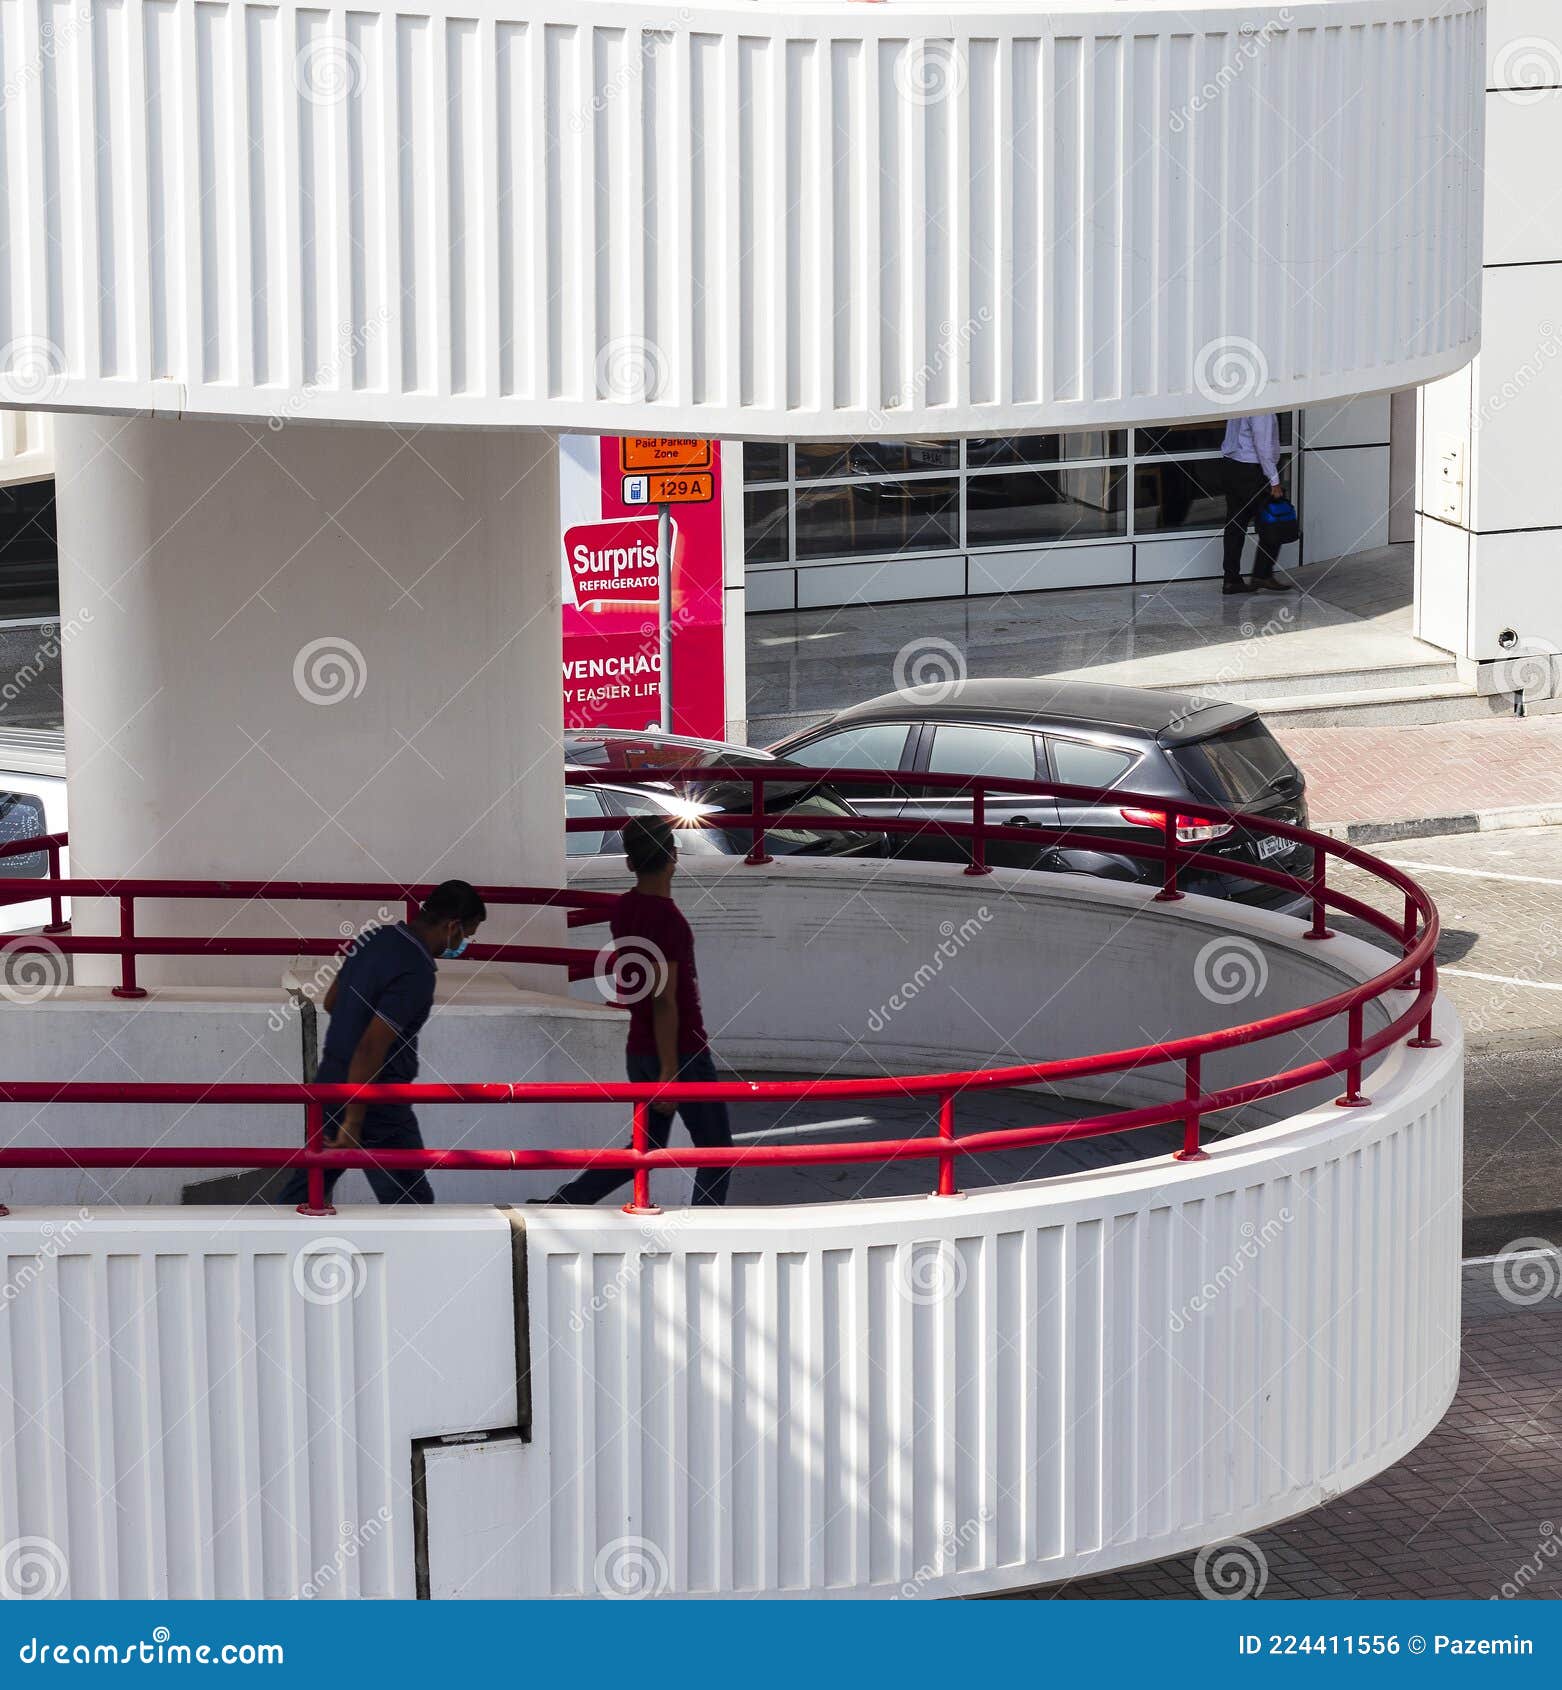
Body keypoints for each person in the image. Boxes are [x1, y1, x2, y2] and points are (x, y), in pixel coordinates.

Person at [543, 814, 733, 1207]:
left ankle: (567, 1201)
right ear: (673, 857)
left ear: (629, 862)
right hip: (680, 1052)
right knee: (718, 1151)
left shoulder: (625, 909)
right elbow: (666, 998)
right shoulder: (670, 921)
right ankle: (706, 1226)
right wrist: (670, 1070)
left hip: (640, 1046)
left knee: (642, 1149)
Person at [278, 880, 487, 1208]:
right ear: (452, 926)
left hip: (331, 1083)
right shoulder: (417, 971)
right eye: (467, 934)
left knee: (306, 1189)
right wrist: (355, 1121)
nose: (463, 944)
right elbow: (371, 1048)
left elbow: (332, 1001)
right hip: (377, 1102)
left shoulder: (373, 937)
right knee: (412, 1202)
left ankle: (267, 1236)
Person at [1219, 412, 1293, 594]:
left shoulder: (1240, 403)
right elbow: (1263, 446)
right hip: (1253, 471)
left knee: (1235, 526)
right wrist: (1274, 480)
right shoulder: (1263, 409)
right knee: (1275, 520)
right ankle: (1262, 574)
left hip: (1232, 466)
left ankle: (1231, 579)